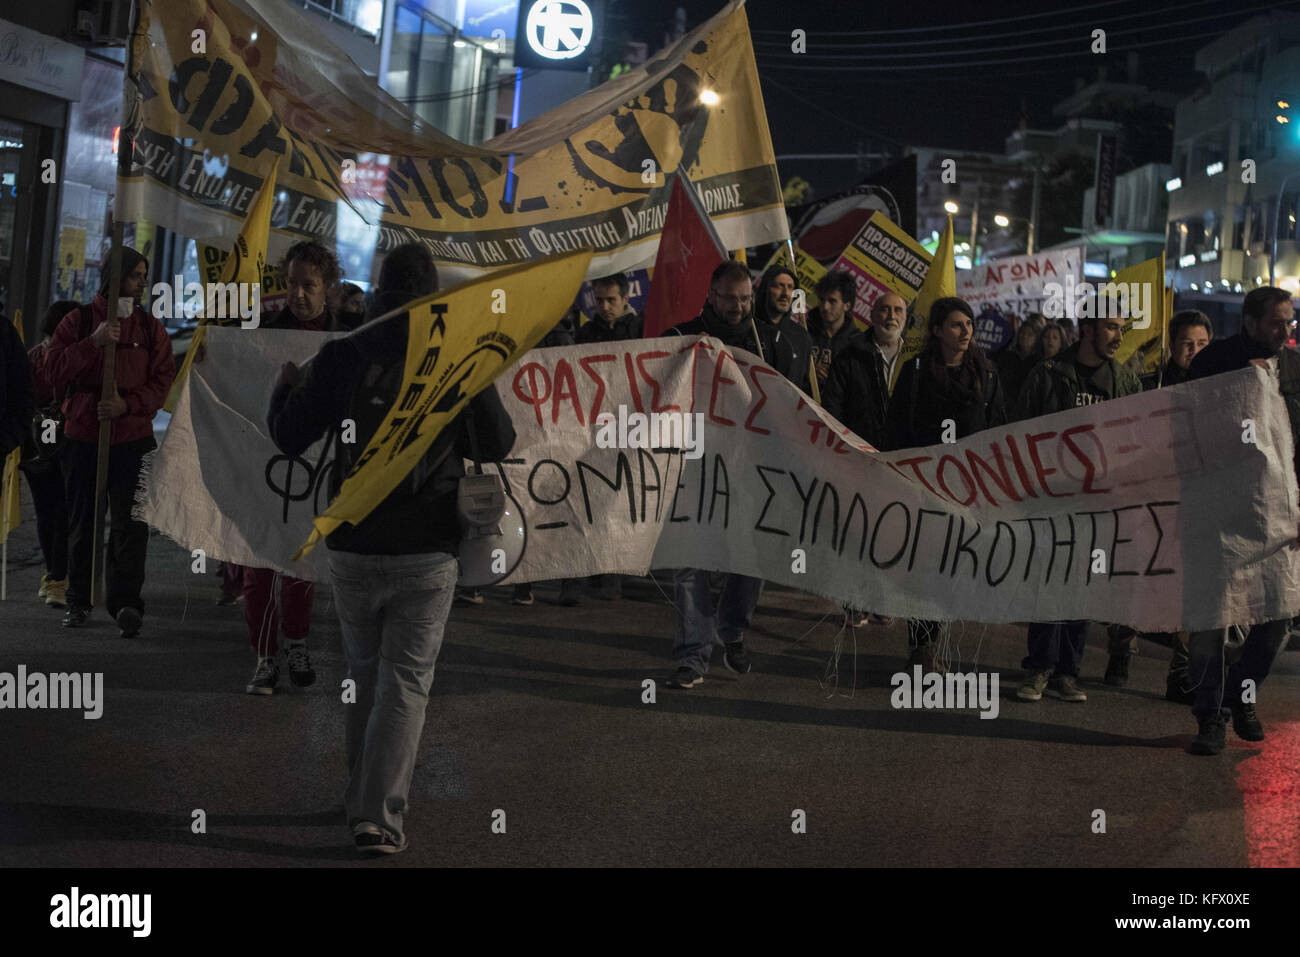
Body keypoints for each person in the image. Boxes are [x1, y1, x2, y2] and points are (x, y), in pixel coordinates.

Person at [267, 241, 516, 853]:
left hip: (353, 543)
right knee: (405, 683)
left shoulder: (345, 354)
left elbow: (289, 436)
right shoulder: (458, 356)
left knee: (364, 675)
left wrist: (284, 389)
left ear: (376, 292)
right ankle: (376, 816)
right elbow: (500, 441)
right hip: (428, 548)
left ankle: (361, 799)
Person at [1182, 287, 1297, 755]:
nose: (1285, 330)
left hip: (1278, 519)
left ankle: (1242, 695)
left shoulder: (1293, 370)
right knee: (1211, 623)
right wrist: (1237, 387)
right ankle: (1209, 717)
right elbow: (1189, 431)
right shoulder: (1213, 363)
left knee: (1278, 619)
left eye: (1290, 322)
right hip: (1219, 516)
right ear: (1249, 322)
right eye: (1276, 322)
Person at [660, 260, 781, 689]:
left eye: (746, 298)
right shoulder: (680, 340)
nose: (739, 305)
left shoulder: (766, 342)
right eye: (730, 297)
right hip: (692, 468)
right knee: (690, 563)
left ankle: (731, 628)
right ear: (711, 296)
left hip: (748, 471)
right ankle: (693, 655)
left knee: (751, 556)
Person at [44, 248, 175, 637]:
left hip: (132, 440)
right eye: (135, 275)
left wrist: (126, 405)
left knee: (130, 525)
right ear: (115, 277)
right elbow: (52, 369)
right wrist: (94, 343)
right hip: (83, 436)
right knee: (82, 523)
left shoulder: (151, 329)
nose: (141, 283)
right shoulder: (78, 321)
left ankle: (126, 603)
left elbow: (162, 380)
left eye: (144, 275)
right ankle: (79, 600)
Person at [1013, 310, 1141, 702]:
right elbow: (1018, 432)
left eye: (1122, 328)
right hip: (1051, 498)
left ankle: (1068, 671)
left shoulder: (1125, 383)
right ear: (1087, 330)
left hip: (1098, 503)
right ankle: (1039, 668)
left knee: (1084, 585)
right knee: (1049, 581)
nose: (1118, 336)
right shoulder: (1048, 374)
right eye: (1111, 327)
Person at [240, 241, 341, 693]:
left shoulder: (348, 339)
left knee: (301, 560)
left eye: (309, 285)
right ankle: (265, 658)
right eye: (291, 284)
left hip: (316, 472)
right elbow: (234, 379)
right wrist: (208, 359)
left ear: (329, 288)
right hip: (265, 468)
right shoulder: (262, 334)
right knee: (259, 562)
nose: (297, 294)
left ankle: (296, 642)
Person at [886, 297, 1007, 673]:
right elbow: (897, 429)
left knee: (951, 570)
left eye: (968, 324)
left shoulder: (985, 374)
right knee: (924, 569)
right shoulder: (916, 372)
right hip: (923, 487)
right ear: (937, 330)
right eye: (956, 324)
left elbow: (998, 428)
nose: (966, 331)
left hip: (966, 490)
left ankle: (930, 643)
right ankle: (921, 648)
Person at [18, 300, 79, 607]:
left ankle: (54, 576)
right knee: (61, 511)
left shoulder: (32, 357)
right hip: (60, 440)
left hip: (36, 444)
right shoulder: (65, 358)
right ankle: (56, 577)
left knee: (49, 511)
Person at [754, 263, 812, 392]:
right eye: (779, 286)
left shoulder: (801, 337)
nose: (785, 293)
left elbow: (802, 384)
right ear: (766, 289)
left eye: (790, 288)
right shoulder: (749, 328)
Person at [807, 271, 858, 392]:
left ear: (847, 305)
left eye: (832, 301)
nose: (825, 307)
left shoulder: (856, 343)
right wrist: (808, 369)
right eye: (822, 299)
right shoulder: (803, 331)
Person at [1141, 309, 1212, 390]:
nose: (1195, 350)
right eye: (1187, 343)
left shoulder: (1219, 385)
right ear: (1172, 346)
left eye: (1201, 344)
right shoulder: (1153, 385)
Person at [576, 273, 643, 344]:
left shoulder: (641, 328)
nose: (605, 307)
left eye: (611, 300)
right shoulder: (585, 333)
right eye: (599, 300)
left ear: (625, 299)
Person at [995, 320, 1039, 407]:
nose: (1025, 336)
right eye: (1022, 333)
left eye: (1030, 334)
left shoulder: (1037, 361)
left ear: (1036, 338)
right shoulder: (1007, 357)